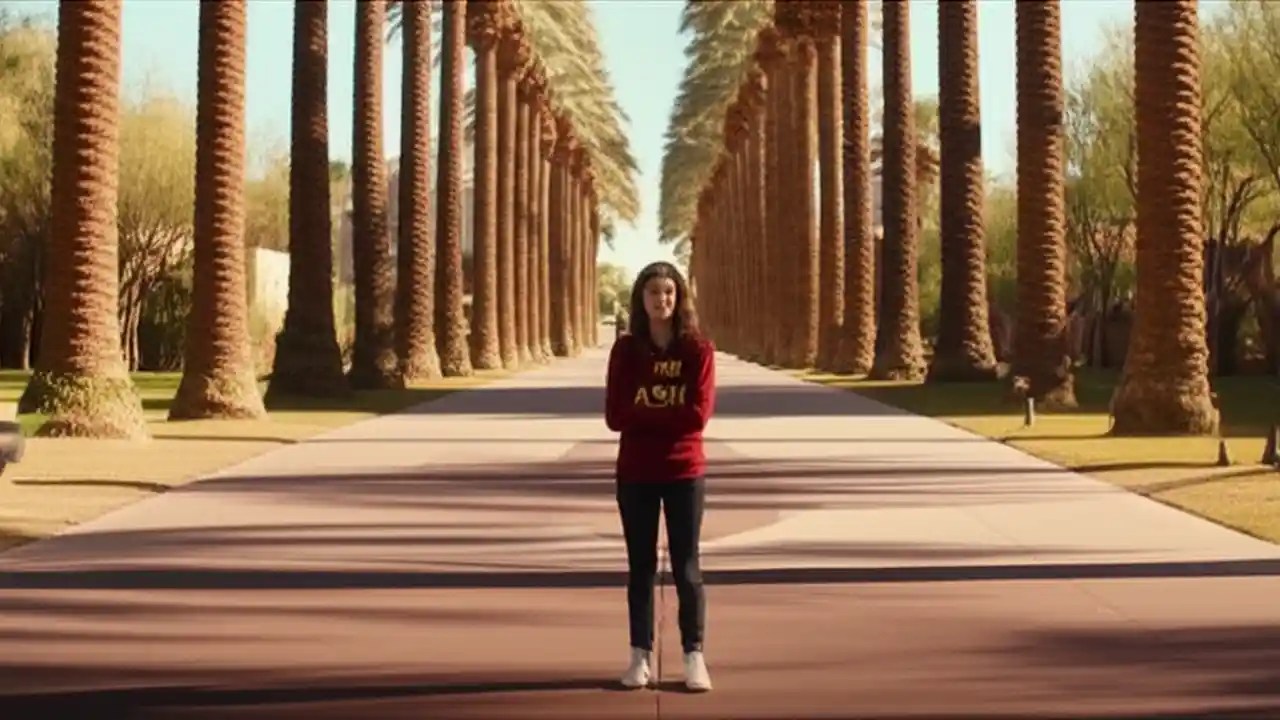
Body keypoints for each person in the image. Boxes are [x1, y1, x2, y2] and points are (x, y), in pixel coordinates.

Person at [604, 260, 716, 692]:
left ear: (679, 297)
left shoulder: (698, 351)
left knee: (687, 568)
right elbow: (615, 416)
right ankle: (639, 656)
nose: (661, 299)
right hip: (636, 474)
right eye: (653, 292)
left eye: (668, 292)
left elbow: (697, 415)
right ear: (641, 299)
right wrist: (666, 414)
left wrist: (644, 414)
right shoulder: (625, 352)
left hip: (684, 471)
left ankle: (694, 657)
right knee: (640, 568)